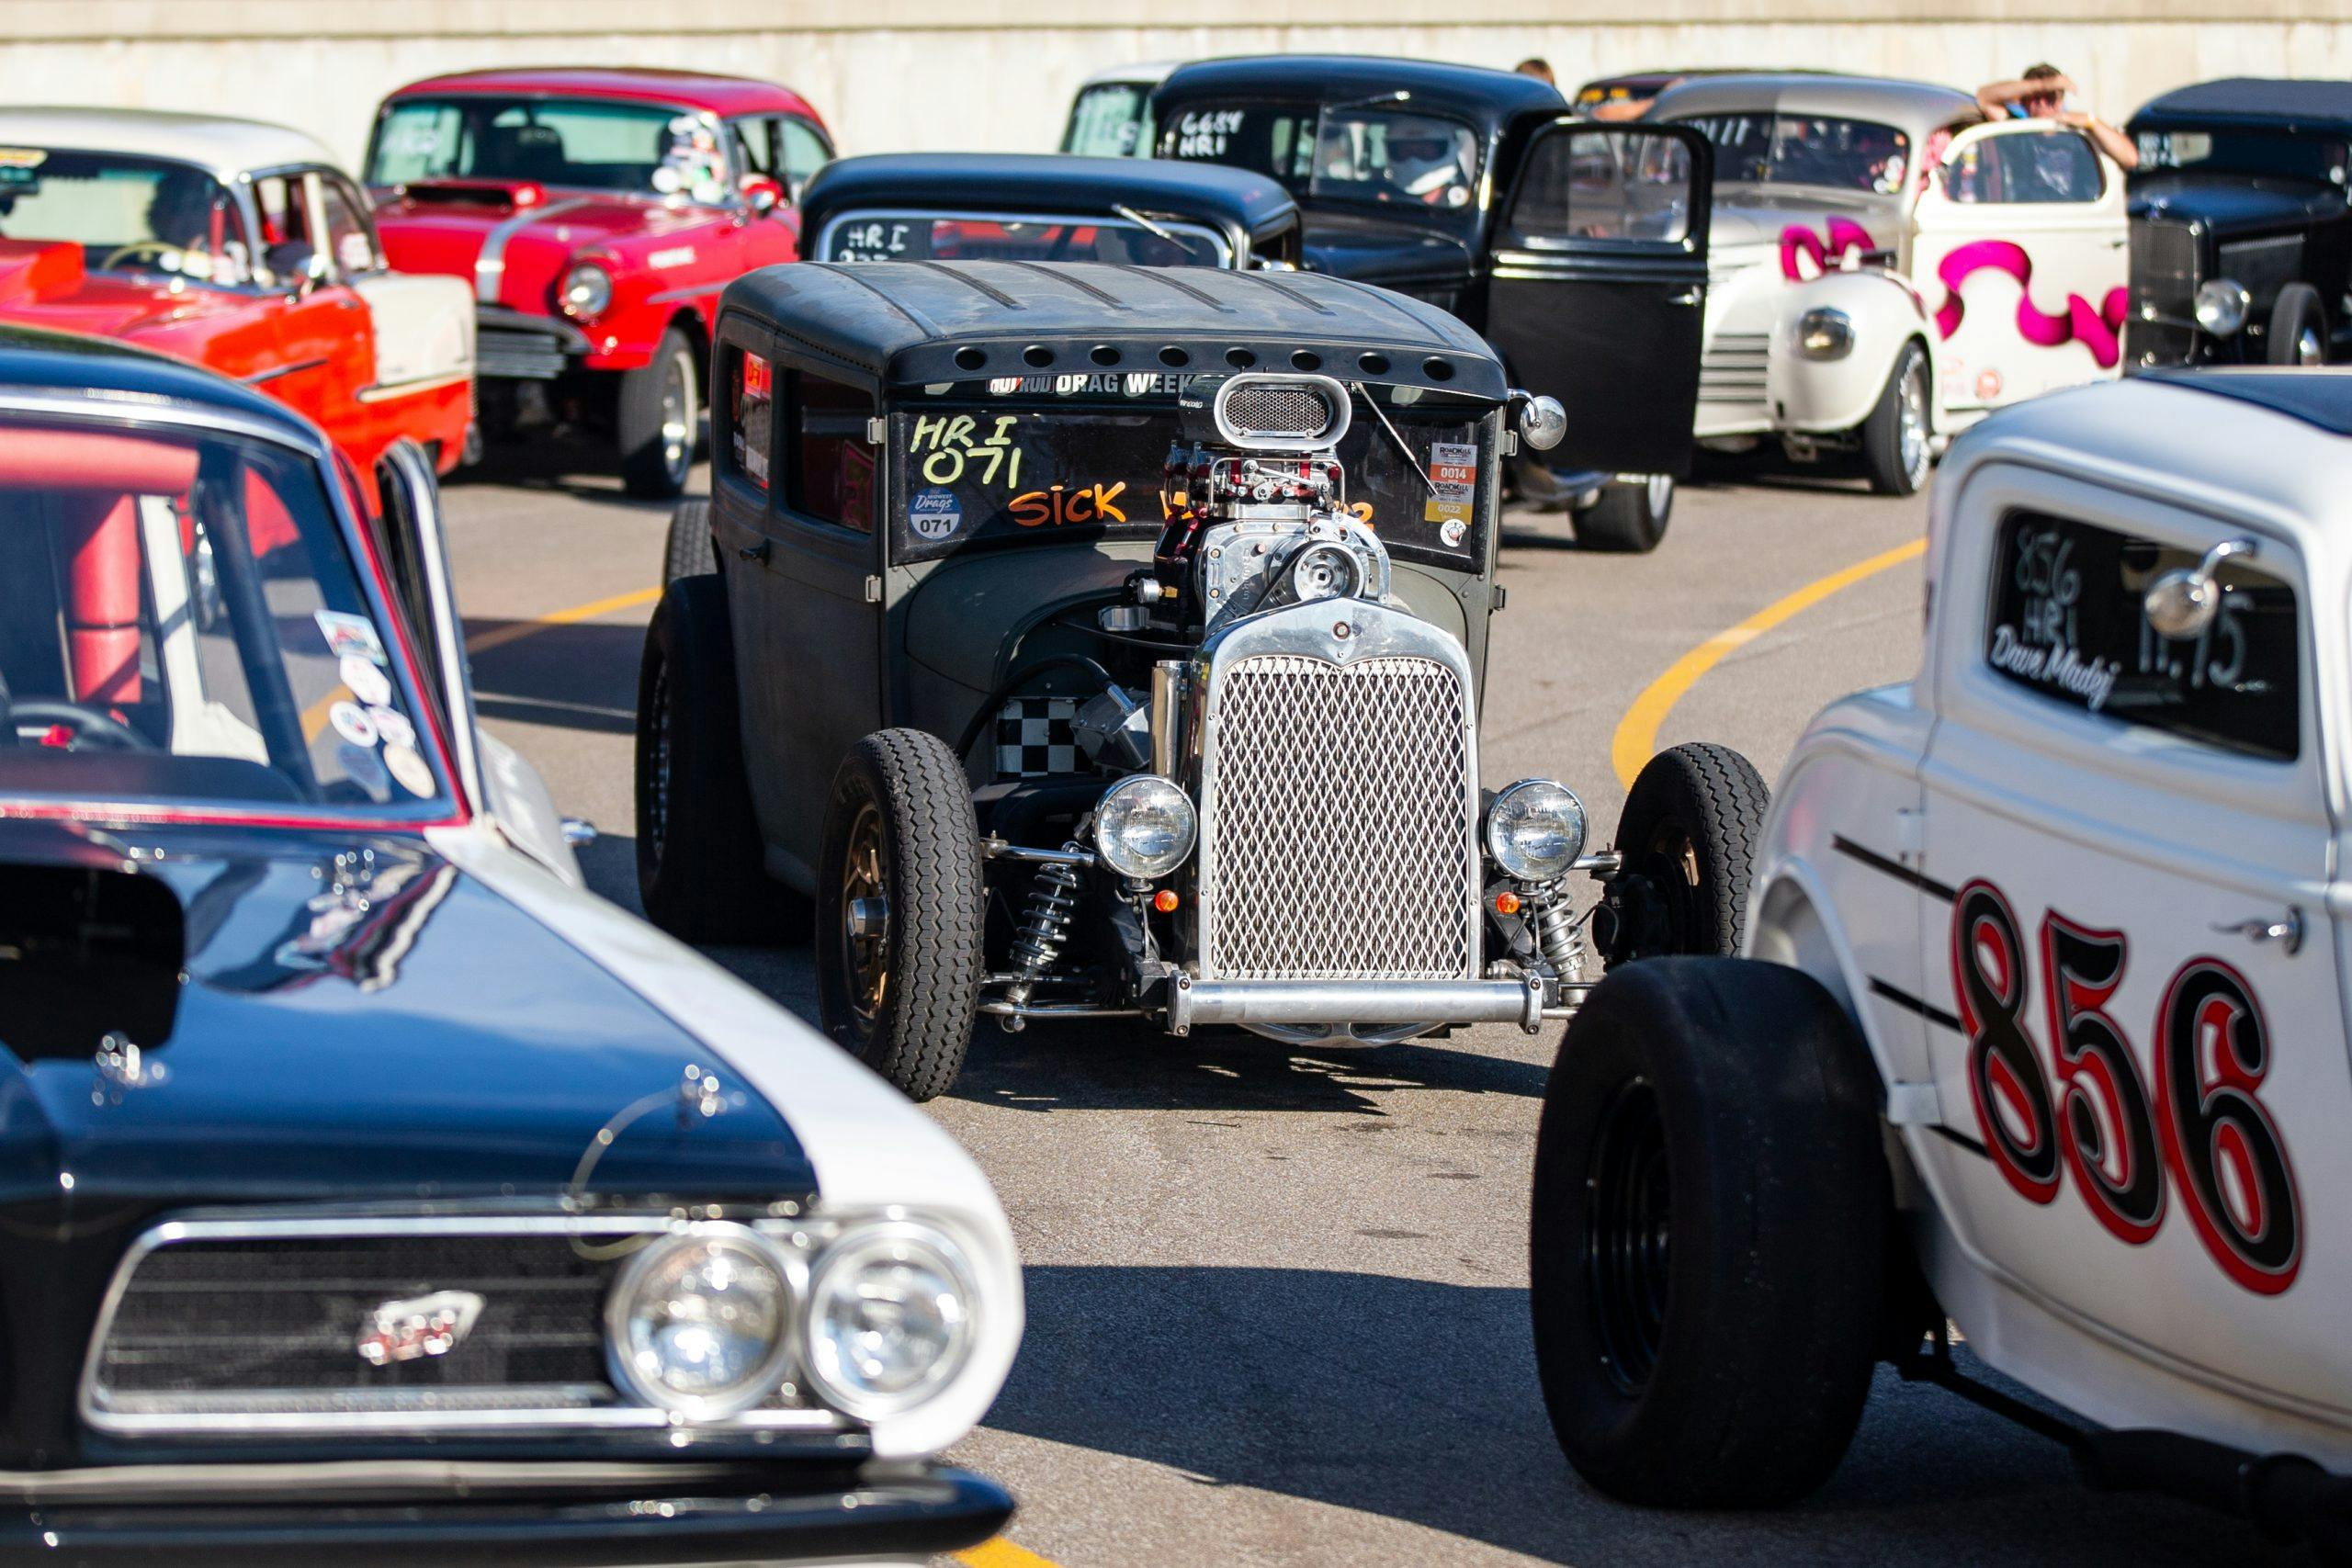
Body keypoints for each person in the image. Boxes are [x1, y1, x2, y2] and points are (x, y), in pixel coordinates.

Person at [1975, 63, 2139, 170]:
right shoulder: (2016, 131)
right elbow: (1983, 98)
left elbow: (2130, 159)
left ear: (2060, 101)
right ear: (2024, 101)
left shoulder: (2078, 135)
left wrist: (2091, 122)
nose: (2042, 104)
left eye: (2050, 97)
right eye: (2035, 97)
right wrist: (2041, 85)